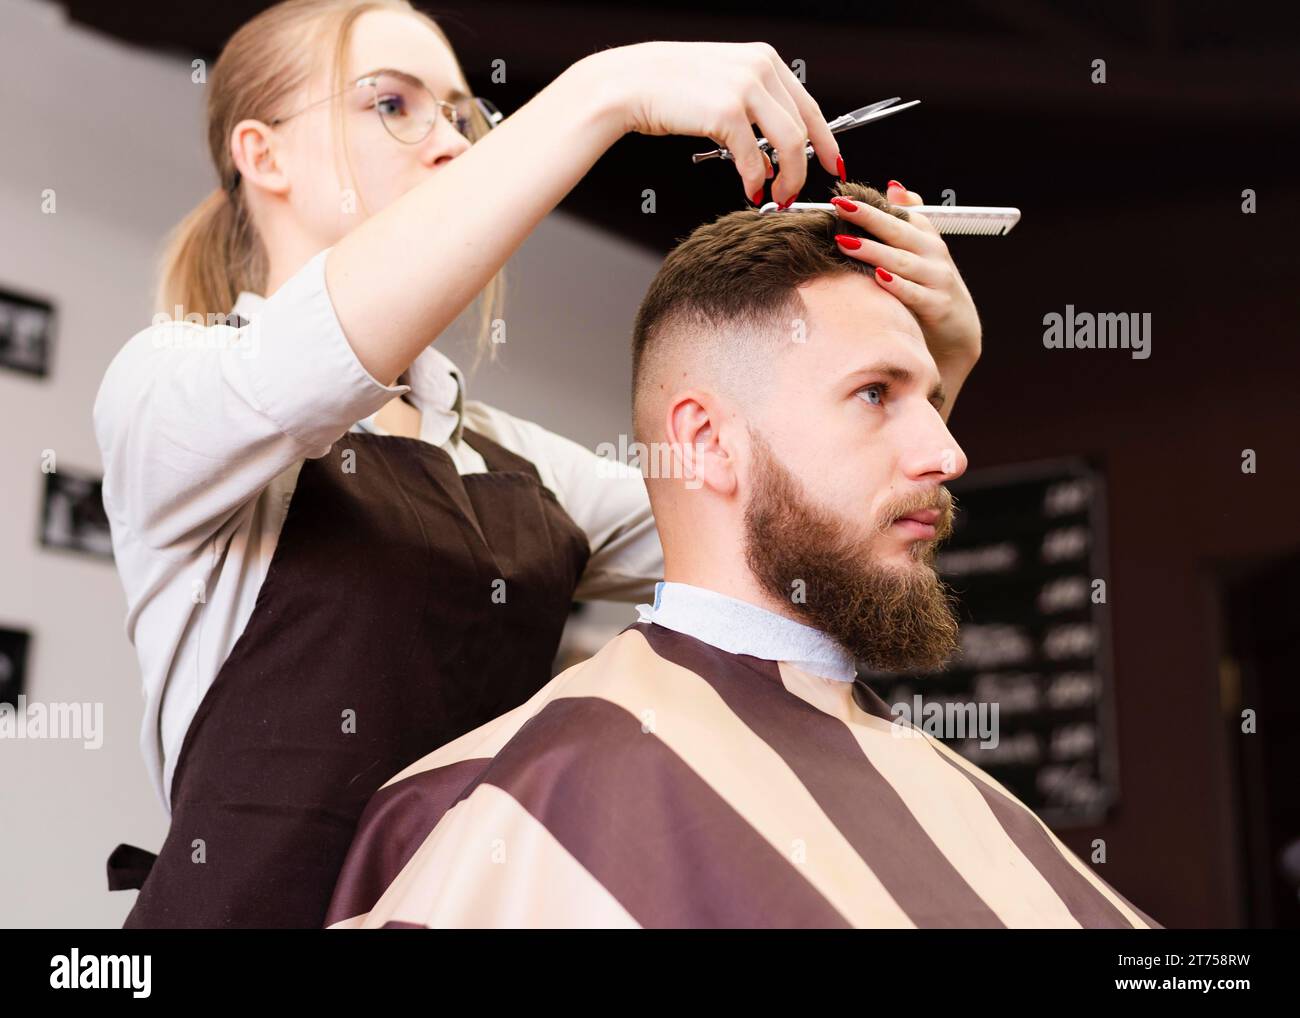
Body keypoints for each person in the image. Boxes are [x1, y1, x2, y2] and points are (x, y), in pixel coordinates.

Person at [94, 0, 896, 928]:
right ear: (263, 155)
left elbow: (789, 519)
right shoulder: (165, 390)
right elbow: (310, 362)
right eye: (392, 105)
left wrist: (922, 369)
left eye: (463, 116)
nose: (449, 145)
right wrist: (607, 90)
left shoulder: (524, 469)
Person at [323, 183, 1162, 929]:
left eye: (935, 399)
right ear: (708, 443)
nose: (950, 454)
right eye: (876, 393)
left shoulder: (956, 794)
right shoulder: (527, 803)